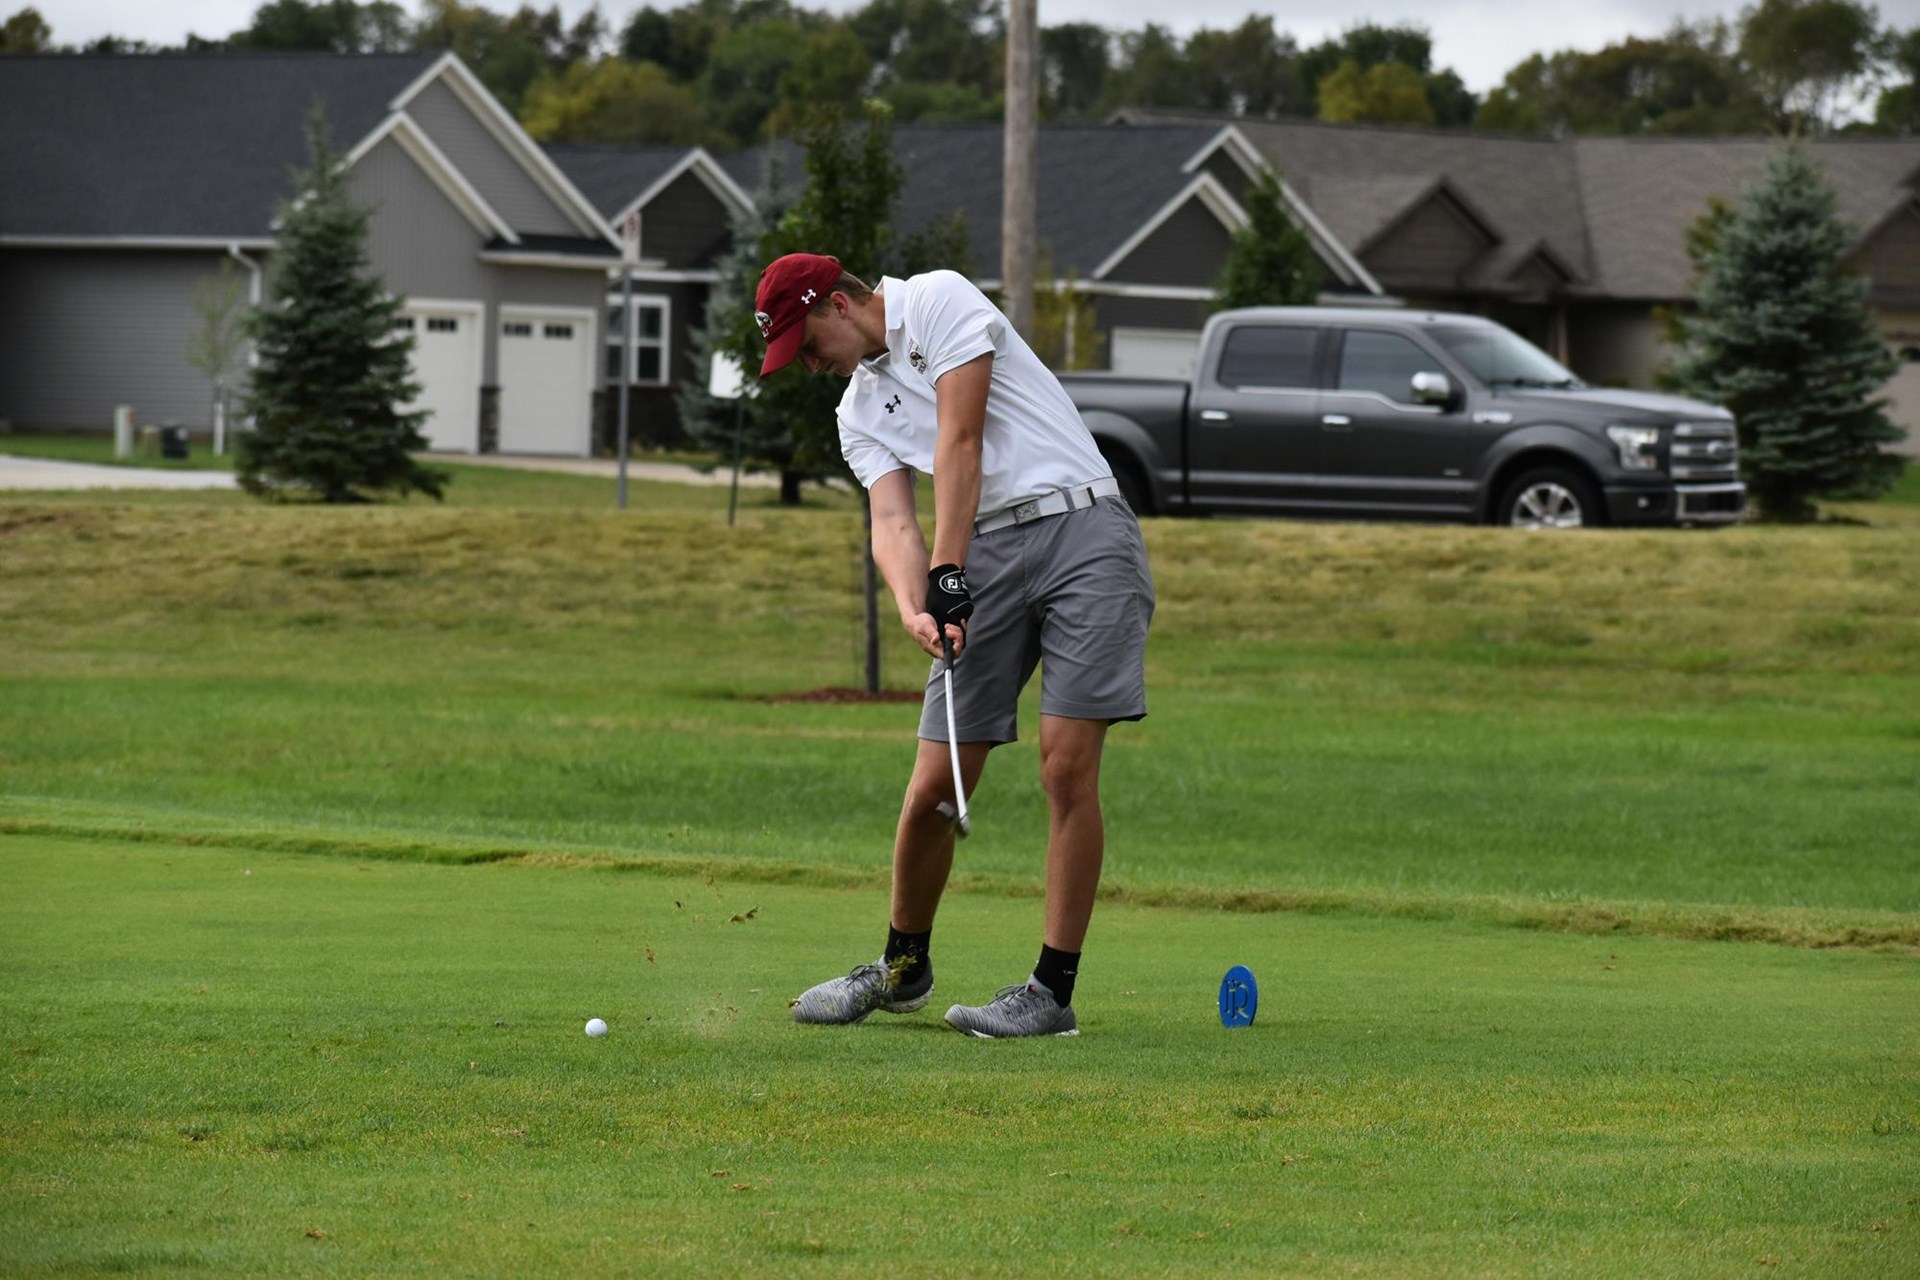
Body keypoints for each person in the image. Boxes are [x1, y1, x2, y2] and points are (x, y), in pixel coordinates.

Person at [755, 252, 1154, 1039]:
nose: (807, 363)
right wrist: (917, 603)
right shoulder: (855, 410)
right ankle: (903, 969)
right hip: (976, 553)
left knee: (1065, 763)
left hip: (1083, 531)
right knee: (934, 784)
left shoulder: (937, 301)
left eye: (807, 342)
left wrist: (946, 571)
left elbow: (960, 441)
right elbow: (891, 521)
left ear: (839, 303)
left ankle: (1050, 991)